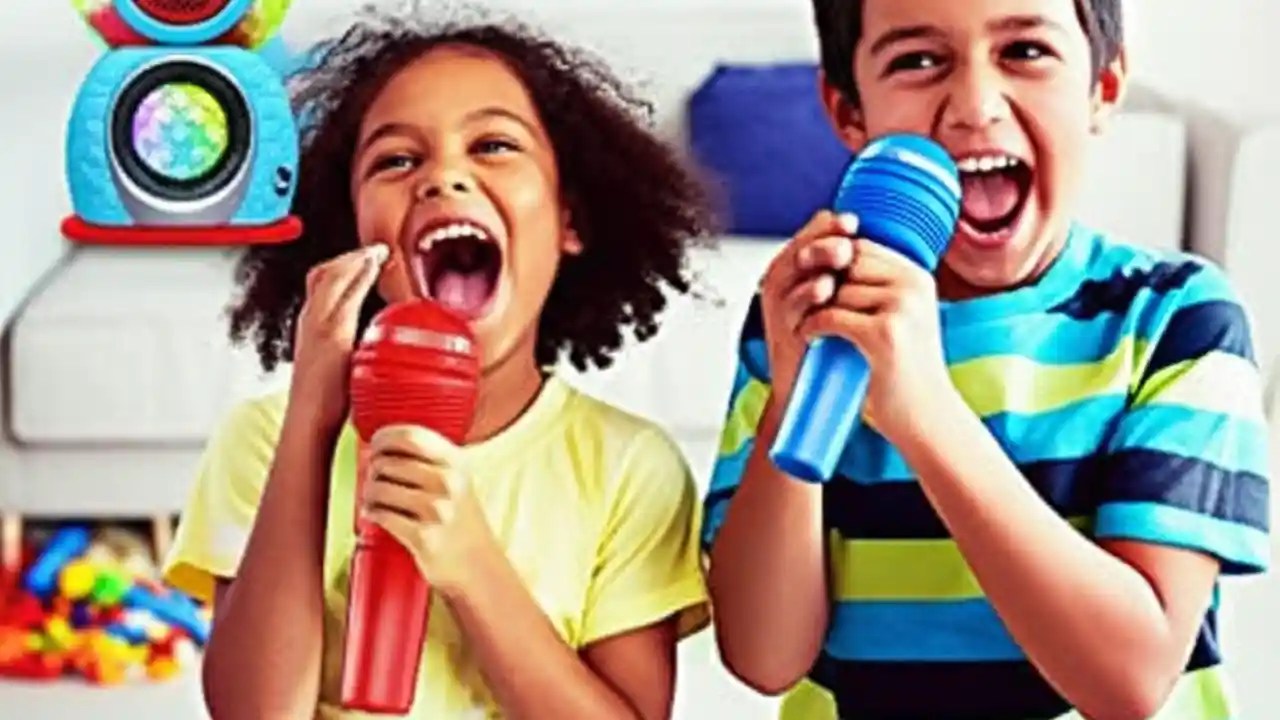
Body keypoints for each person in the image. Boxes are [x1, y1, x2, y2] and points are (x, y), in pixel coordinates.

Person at [702, 1, 1270, 718]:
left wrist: (926, 415)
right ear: (848, 111)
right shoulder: (800, 323)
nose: (974, 106)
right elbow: (762, 656)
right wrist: (791, 401)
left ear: (1103, 85)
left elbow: (1129, 679)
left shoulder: (1176, 319)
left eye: (1025, 51)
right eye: (916, 60)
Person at [161, 8, 715, 719]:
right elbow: (254, 712)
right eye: (395, 160)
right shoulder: (269, 440)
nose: (442, 177)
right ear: (352, 232)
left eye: (492, 145)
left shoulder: (629, 466)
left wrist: (471, 567)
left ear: (569, 219)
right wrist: (311, 421)